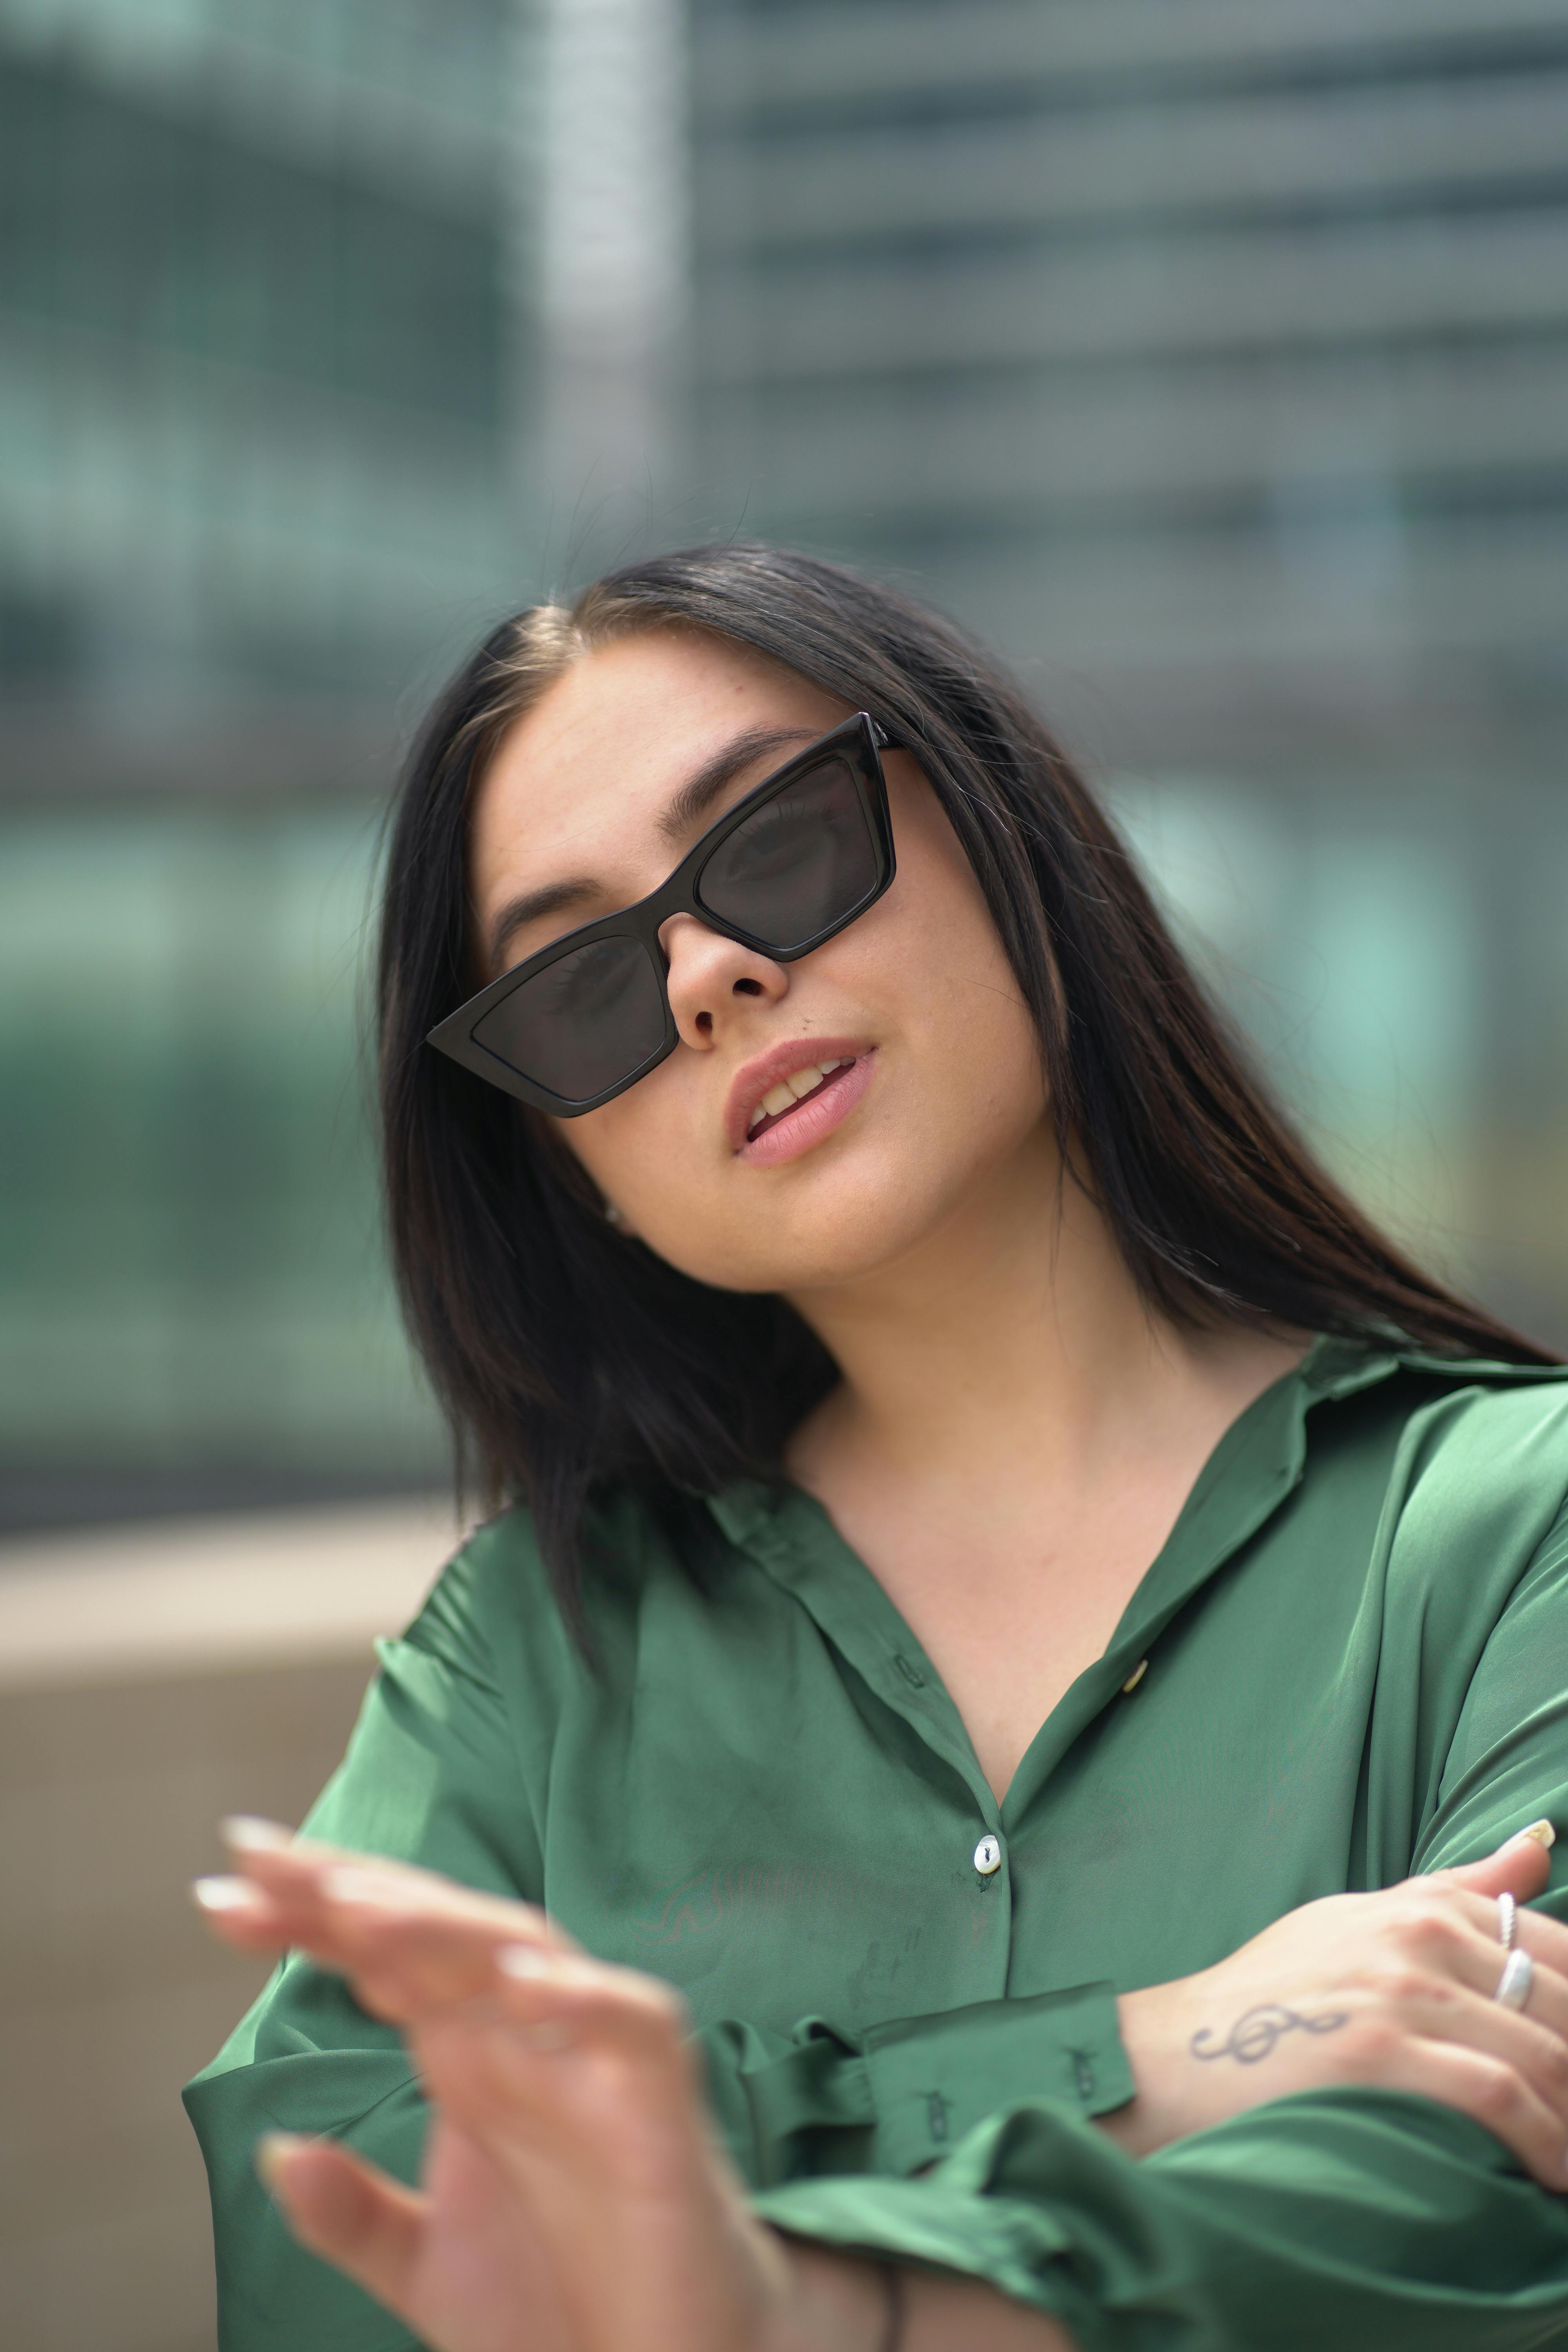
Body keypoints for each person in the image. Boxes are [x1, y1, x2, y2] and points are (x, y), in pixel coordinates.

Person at [187, 544, 1568, 2352]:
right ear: (571, 1169)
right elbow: (333, 2240)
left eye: (773, 845)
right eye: (582, 986)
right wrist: (1135, 2059)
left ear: (1003, 832)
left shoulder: (1508, 1528)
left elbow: (1471, 2207)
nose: (701, 977)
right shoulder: (531, 1655)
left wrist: (795, 2293)